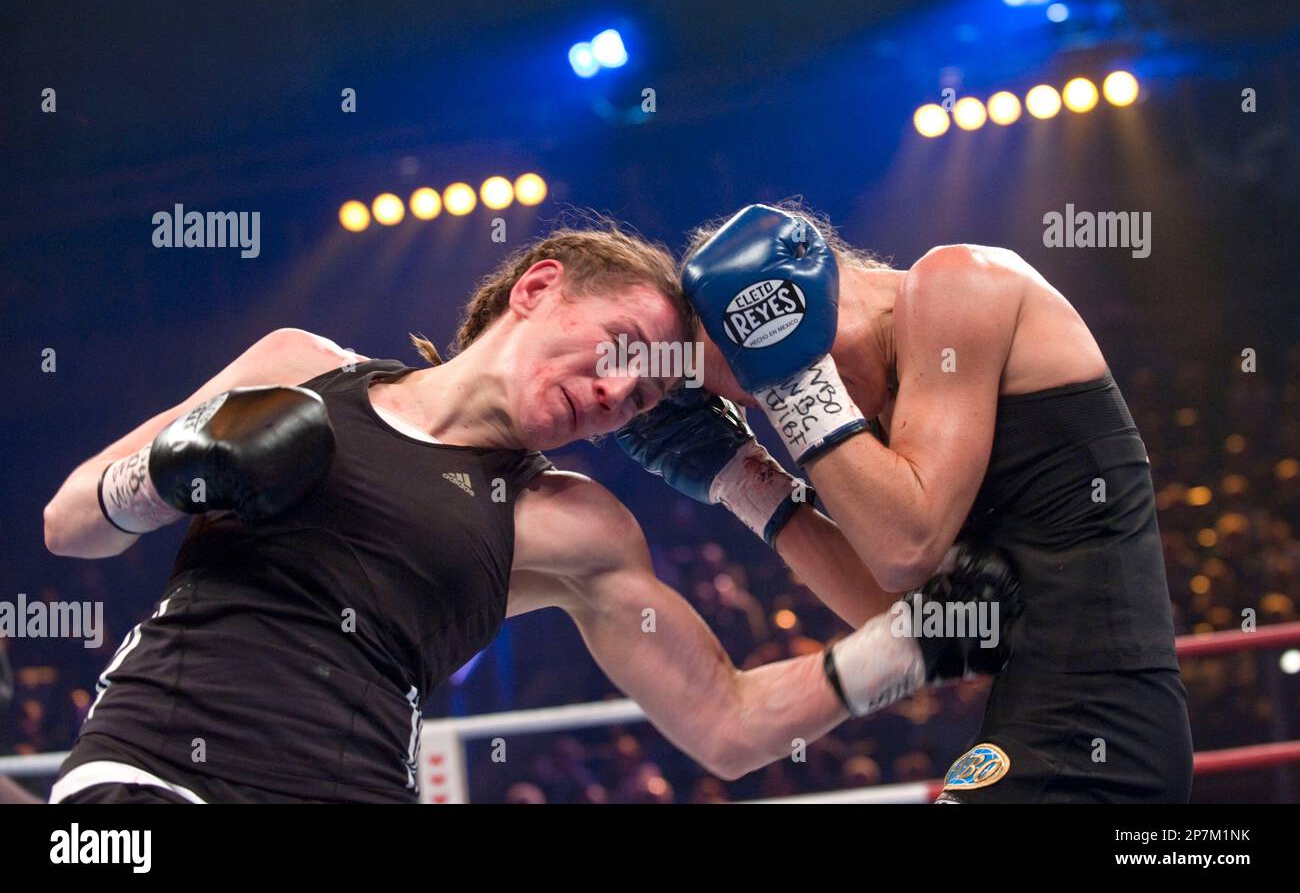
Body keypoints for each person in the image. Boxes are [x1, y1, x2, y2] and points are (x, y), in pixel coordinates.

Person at [41, 223, 1018, 803]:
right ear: (539, 286)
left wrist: (913, 646)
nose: (619, 391)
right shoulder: (302, 370)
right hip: (150, 773)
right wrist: (165, 477)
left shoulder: (571, 526)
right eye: (620, 347)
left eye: (642, 398)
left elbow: (725, 725)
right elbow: (67, 523)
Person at [632, 202, 1192, 802]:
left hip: (1101, 727)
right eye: (769, 401)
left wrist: (796, 384)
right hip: (1039, 727)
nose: (790, 413)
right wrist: (747, 484)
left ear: (804, 304)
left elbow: (907, 546)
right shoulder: (882, 431)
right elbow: (911, 613)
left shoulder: (959, 282)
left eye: (785, 381)